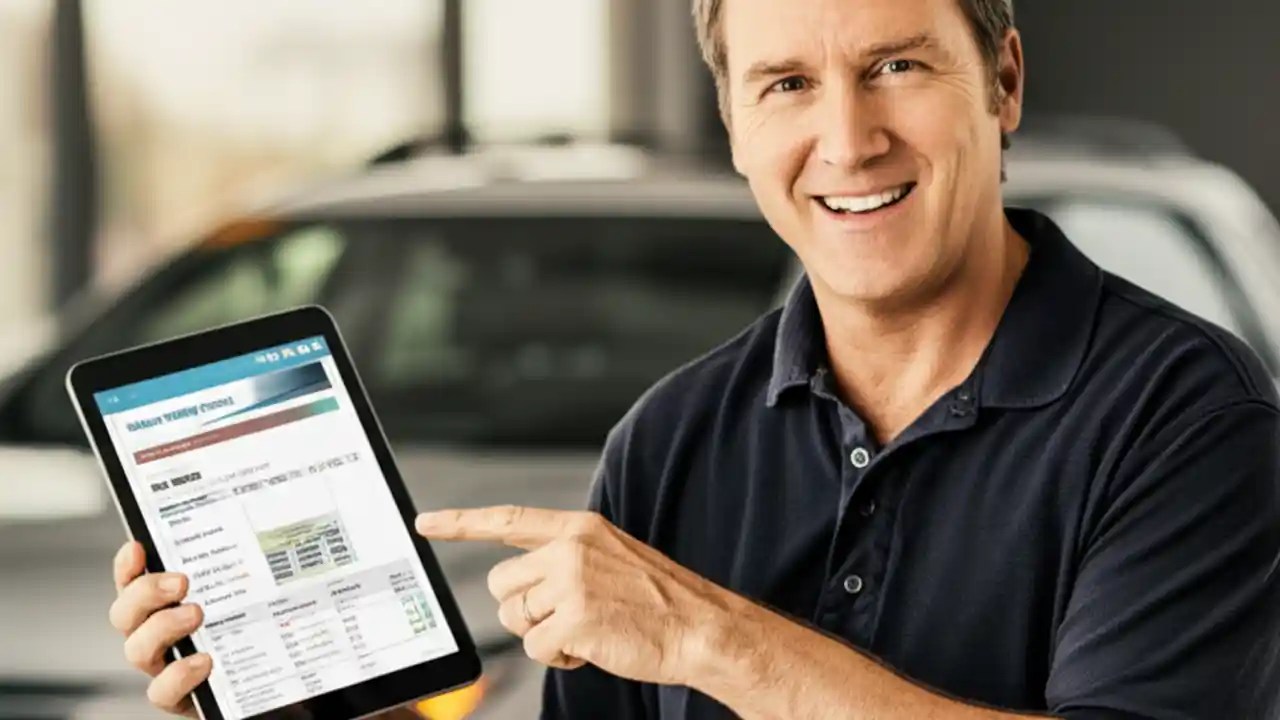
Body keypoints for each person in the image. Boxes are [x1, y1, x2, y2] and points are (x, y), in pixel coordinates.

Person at [110, 0, 1280, 717]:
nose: (846, 139)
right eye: (785, 84)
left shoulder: (1189, 420)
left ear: (1003, 81)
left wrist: (703, 638)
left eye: (895, 67)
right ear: (733, 123)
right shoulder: (671, 440)